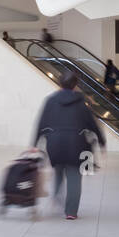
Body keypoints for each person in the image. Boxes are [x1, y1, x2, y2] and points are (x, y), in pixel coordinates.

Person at [33, 71, 106, 220]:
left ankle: (56, 197)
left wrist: (34, 143)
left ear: (60, 83)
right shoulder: (81, 103)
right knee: (74, 177)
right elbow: (92, 124)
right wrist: (101, 141)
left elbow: (41, 122)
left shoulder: (50, 101)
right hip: (76, 145)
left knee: (58, 169)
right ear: (75, 85)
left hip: (54, 144)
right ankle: (71, 211)